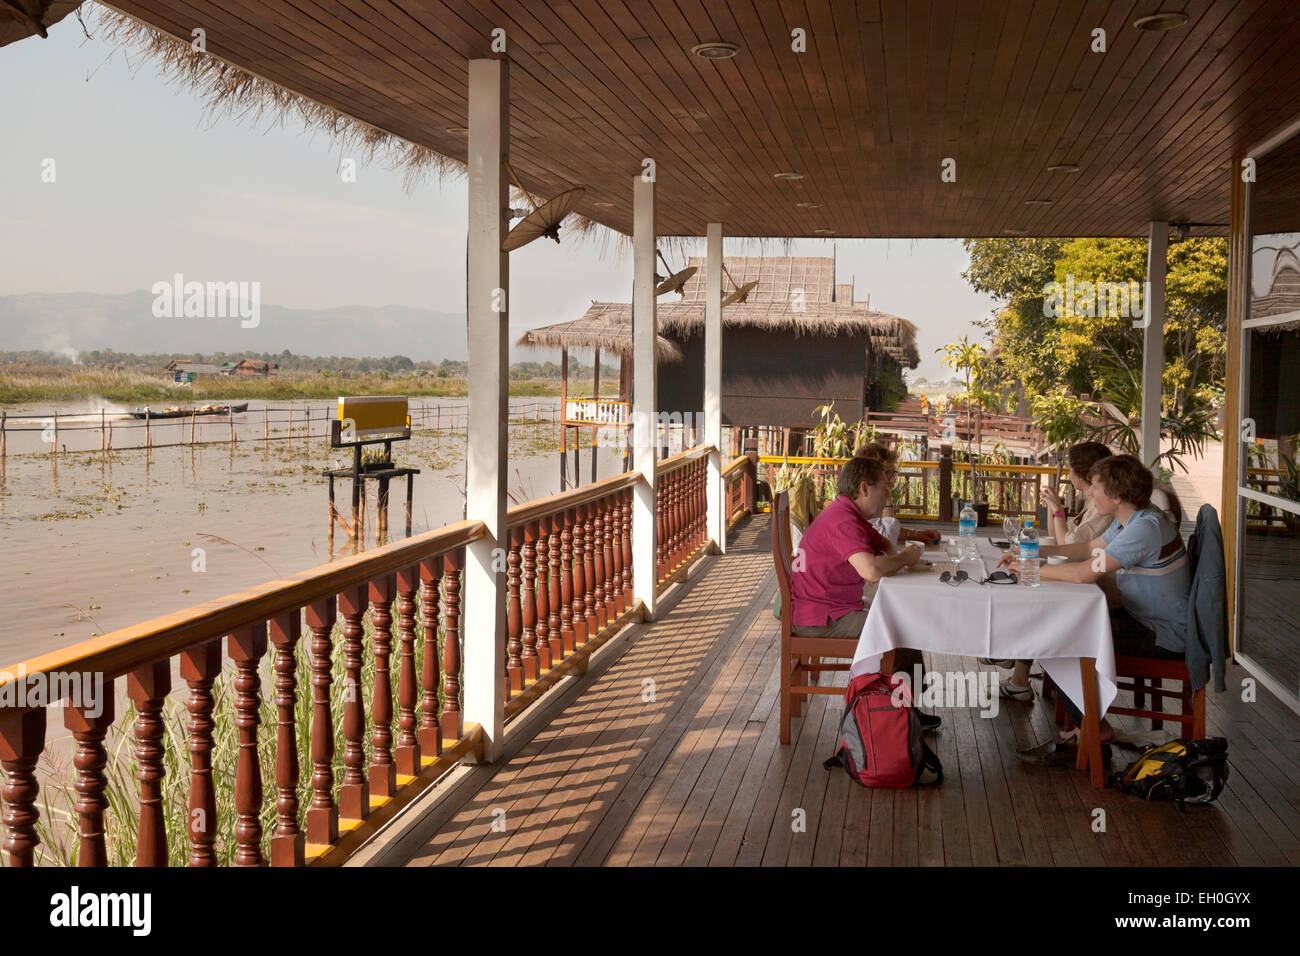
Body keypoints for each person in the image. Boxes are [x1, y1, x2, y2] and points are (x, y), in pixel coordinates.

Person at [998, 454, 1191, 764]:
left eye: (1096, 487)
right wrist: (1032, 550)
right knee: (1057, 629)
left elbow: (1083, 573)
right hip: (1144, 619)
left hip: (1162, 636)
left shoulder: (1144, 530)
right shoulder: (1136, 518)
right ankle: (1089, 724)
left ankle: (1095, 729)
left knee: (1055, 639)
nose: (1088, 492)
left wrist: (1028, 568)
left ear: (1116, 496)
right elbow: (1087, 548)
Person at [790, 455, 941, 730]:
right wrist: (905, 560)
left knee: (902, 623)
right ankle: (898, 717)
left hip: (828, 608)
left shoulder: (848, 513)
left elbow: (883, 543)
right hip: (821, 620)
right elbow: (871, 571)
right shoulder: (843, 521)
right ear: (863, 488)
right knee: (903, 630)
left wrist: (899, 555)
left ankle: (905, 710)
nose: (887, 494)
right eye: (883, 487)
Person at [999, 441, 1115, 702]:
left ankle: (1013, 655)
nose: (1068, 476)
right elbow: (1062, 541)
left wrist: (1059, 512)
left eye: (1071, 470)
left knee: (1040, 606)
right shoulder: (1097, 503)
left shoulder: (1106, 510)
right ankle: (1016, 666)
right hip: (1090, 579)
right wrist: (1054, 509)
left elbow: (1068, 546)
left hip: (1104, 591)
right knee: (1036, 596)